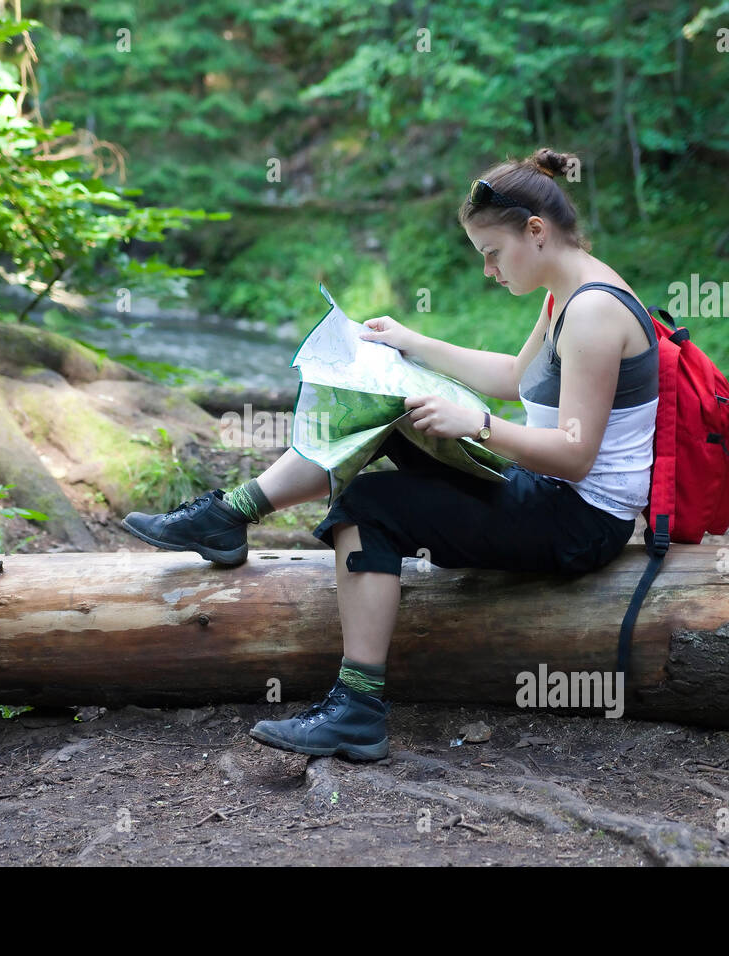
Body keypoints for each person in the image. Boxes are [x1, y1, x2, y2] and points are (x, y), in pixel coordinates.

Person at [120, 147, 659, 761]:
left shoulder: (592, 311)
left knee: (367, 506)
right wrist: (411, 344)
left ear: (535, 232)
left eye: (491, 253)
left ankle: (357, 710)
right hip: (549, 492)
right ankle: (231, 514)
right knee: (392, 400)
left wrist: (477, 425)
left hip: (580, 521)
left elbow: (575, 456)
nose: (488, 270)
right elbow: (516, 377)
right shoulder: (565, 295)